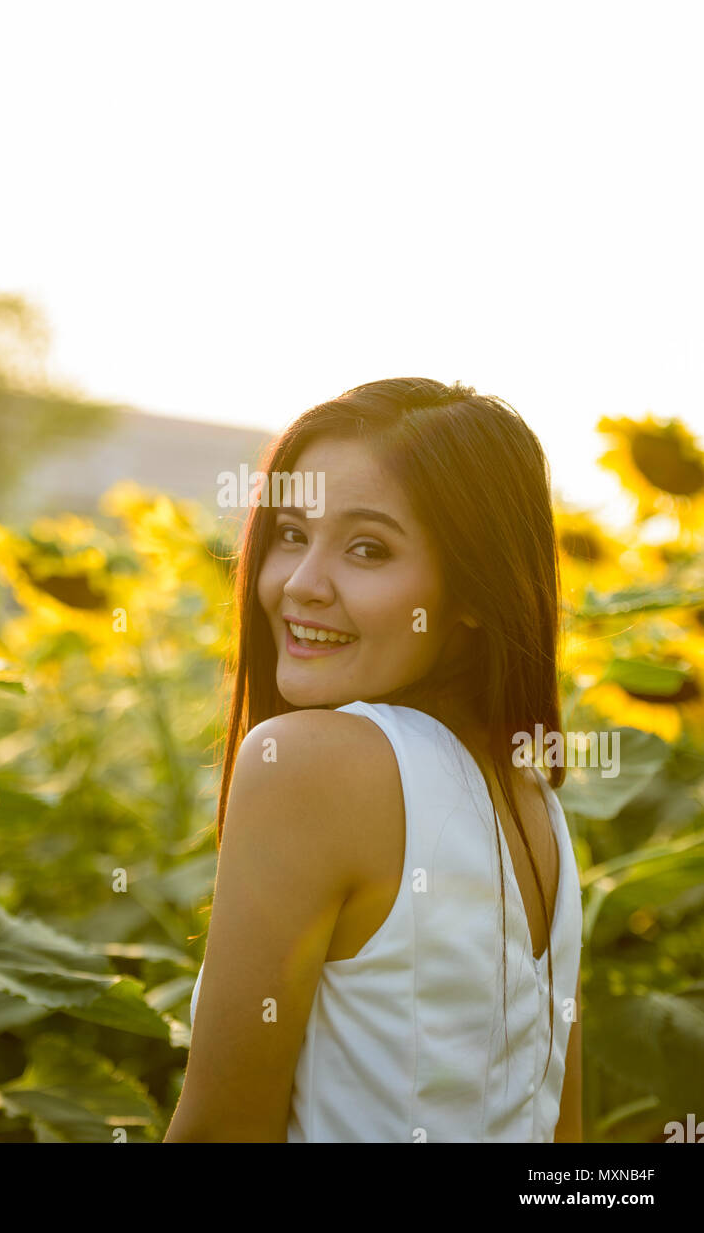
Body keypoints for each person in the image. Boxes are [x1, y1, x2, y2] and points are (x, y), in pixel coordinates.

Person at [164, 377, 583, 1143]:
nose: (300, 583)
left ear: (474, 591)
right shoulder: (536, 805)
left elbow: (219, 1133)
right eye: (291, 533)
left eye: (367, 548)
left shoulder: (309, 763)